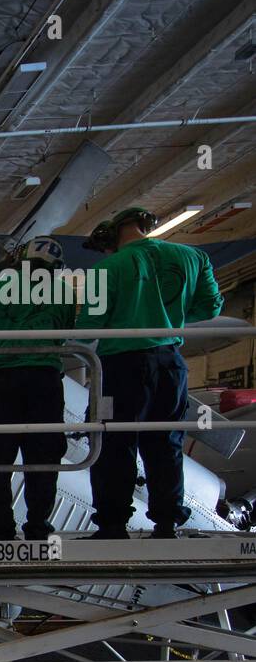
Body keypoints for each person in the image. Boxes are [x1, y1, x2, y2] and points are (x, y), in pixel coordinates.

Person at [77, 207, 224, 539]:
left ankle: (113, 525)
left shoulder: (108, 268)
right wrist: (167, 318)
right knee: (165, 443)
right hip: (170, 365)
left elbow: (89, 328)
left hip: (119, 367)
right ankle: (167, 522)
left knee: (113, 442)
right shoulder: (194, 256)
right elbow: (212, 306)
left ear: (114, 234)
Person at [0, 236, 72, 541]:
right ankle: (38, 527)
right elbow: (64, 335)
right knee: (43, 458)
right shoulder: (62, 293)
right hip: (45, 381)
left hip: (3, 382)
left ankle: (1, 528)